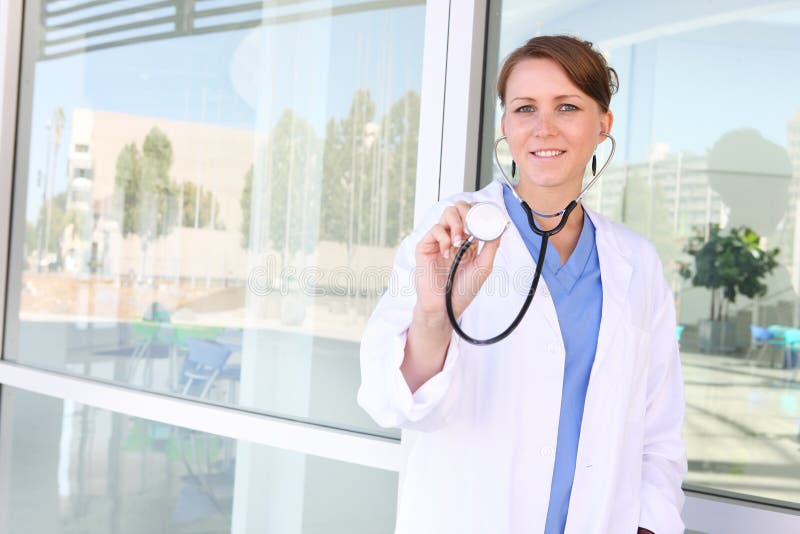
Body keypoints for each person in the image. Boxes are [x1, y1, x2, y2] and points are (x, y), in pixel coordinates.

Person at [358, 35, 687, 534]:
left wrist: (650, 526)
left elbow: (658, 429)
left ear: (603, 125)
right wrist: (435, 315)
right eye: (525, 108)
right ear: (506, 127)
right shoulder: (451, 233)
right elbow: (394, 401)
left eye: (567, 106)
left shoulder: (636, 261)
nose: (543, 128)